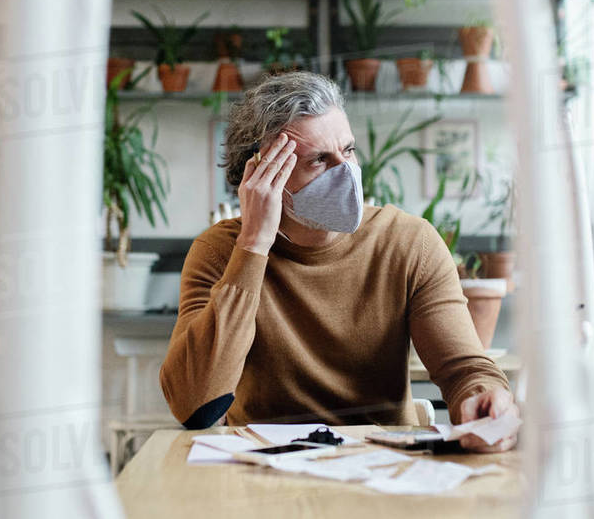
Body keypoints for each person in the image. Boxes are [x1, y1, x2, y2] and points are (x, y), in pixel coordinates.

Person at [159, 71, 517, 452]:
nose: (345, 171)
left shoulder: (409, 243)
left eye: (348, 150)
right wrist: (253, 245)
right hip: (264, 468)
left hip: (382, 462)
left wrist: (484, 399)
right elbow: (194, 406)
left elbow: (465, 370)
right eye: (319, 160)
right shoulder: (220, 252)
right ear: (262, 175)